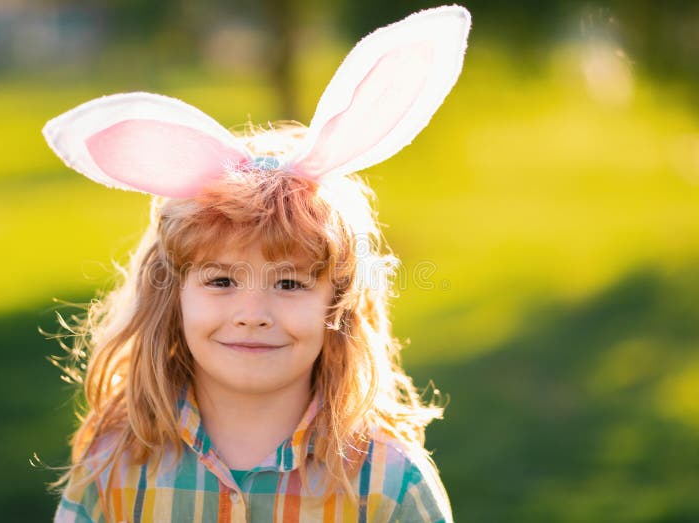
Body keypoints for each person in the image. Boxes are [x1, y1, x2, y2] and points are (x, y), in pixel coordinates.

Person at [44, 5, 470, 522]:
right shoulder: (117, 464)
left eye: (289, 283)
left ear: (338, 304)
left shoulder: (389, 484)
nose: (252, 312)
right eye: (221, 279)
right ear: (172, 296)